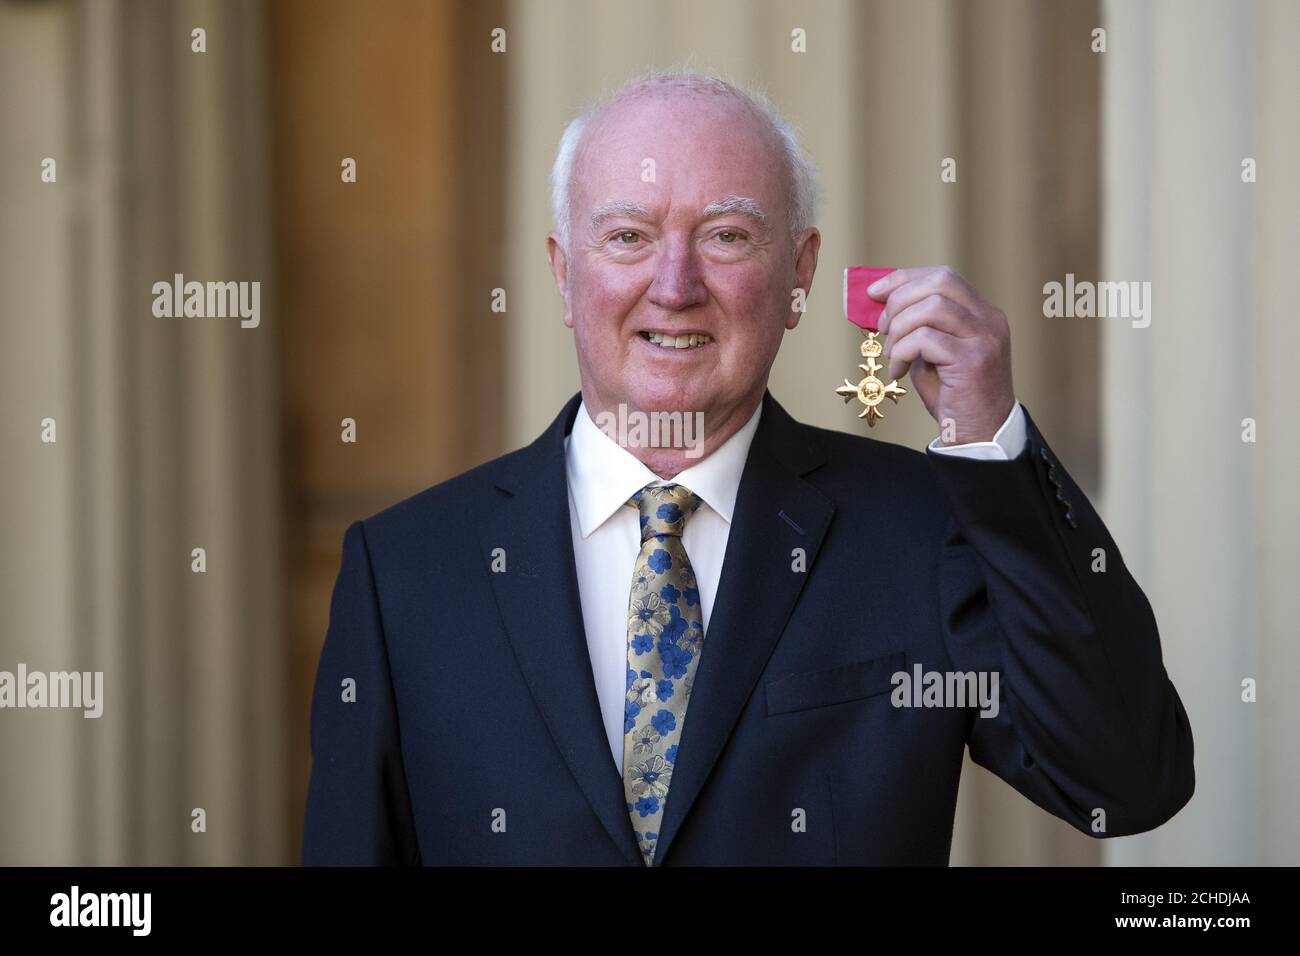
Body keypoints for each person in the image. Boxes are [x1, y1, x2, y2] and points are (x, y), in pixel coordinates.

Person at [302, 71, 1193, 866]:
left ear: (799, 273)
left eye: (726, 236)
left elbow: (1125, 779)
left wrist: (991, 439)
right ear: (562, 272)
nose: (676, 283)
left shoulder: (922, 530)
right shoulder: (405, 571)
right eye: (628, 237)